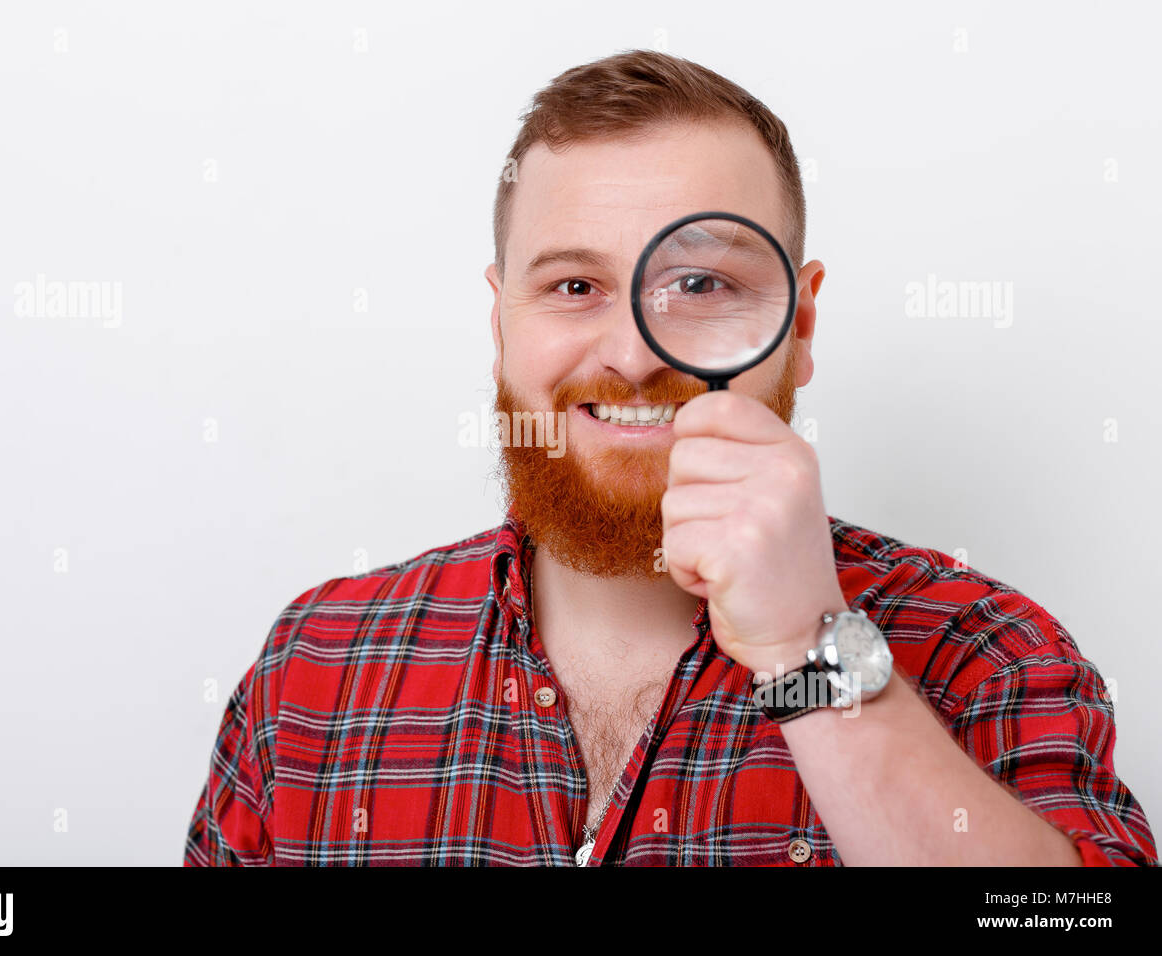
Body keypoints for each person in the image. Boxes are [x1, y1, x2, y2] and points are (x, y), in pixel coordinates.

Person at [184, 50, 1156, 866]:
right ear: (499, 321)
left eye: (698, 281)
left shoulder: (984, 654)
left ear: (799, 321)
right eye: (573, 284)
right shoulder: (314, 669)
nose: (634, 352)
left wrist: (805, 650)